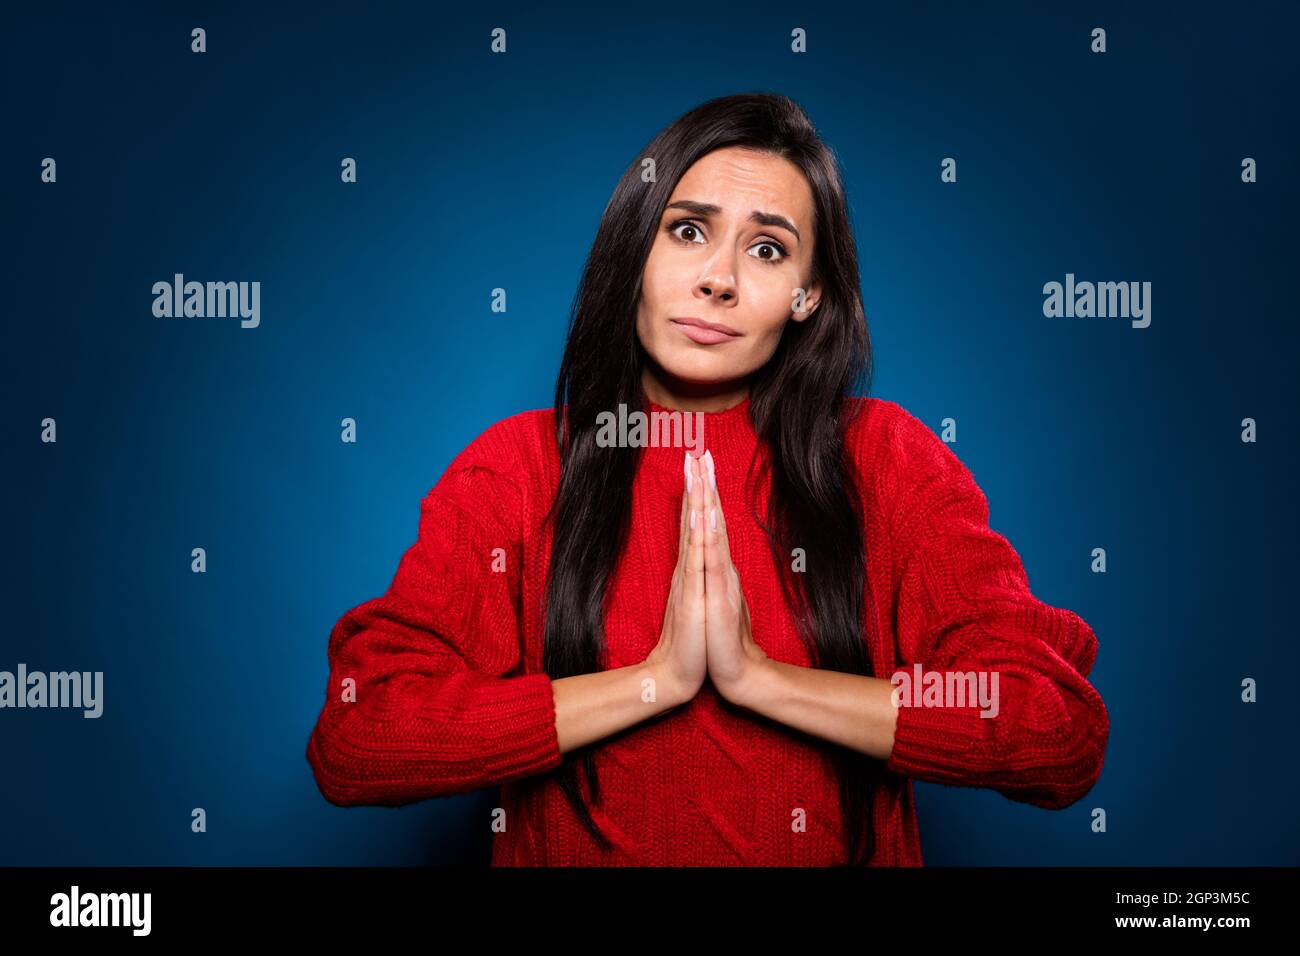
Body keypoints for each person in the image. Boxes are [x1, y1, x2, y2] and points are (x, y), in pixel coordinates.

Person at [305, 92, 1110, 866]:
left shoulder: (886, 459)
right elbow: (358, 738)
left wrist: (763, 681)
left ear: (808, 294)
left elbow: (1056, 731)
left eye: (768, 250)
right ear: (634, 254)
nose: (718, 279)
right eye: (687, 231)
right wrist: (652, 683)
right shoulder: (518, 468)